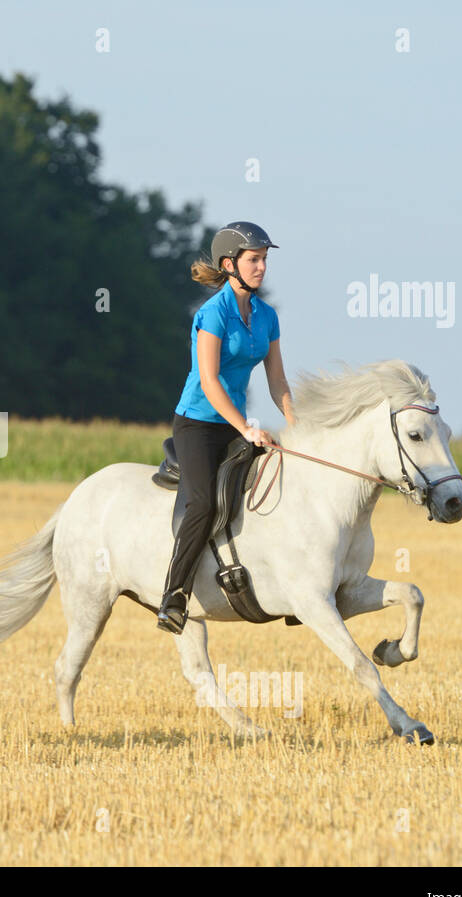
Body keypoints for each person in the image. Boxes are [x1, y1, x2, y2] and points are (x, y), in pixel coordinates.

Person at [156, 221, 297, 633]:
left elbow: (278, 381)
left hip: (236, 425)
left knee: (278, 484)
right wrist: (249, 429)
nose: (261, 268)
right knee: (203, 503)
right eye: (254, 260)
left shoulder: (266, 316)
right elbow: (210, 382)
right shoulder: (211, 314)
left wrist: (298, 427)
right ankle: (174, 596)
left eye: (264, 260)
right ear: (229, 264)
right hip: (198, 425)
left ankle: (291, 587)